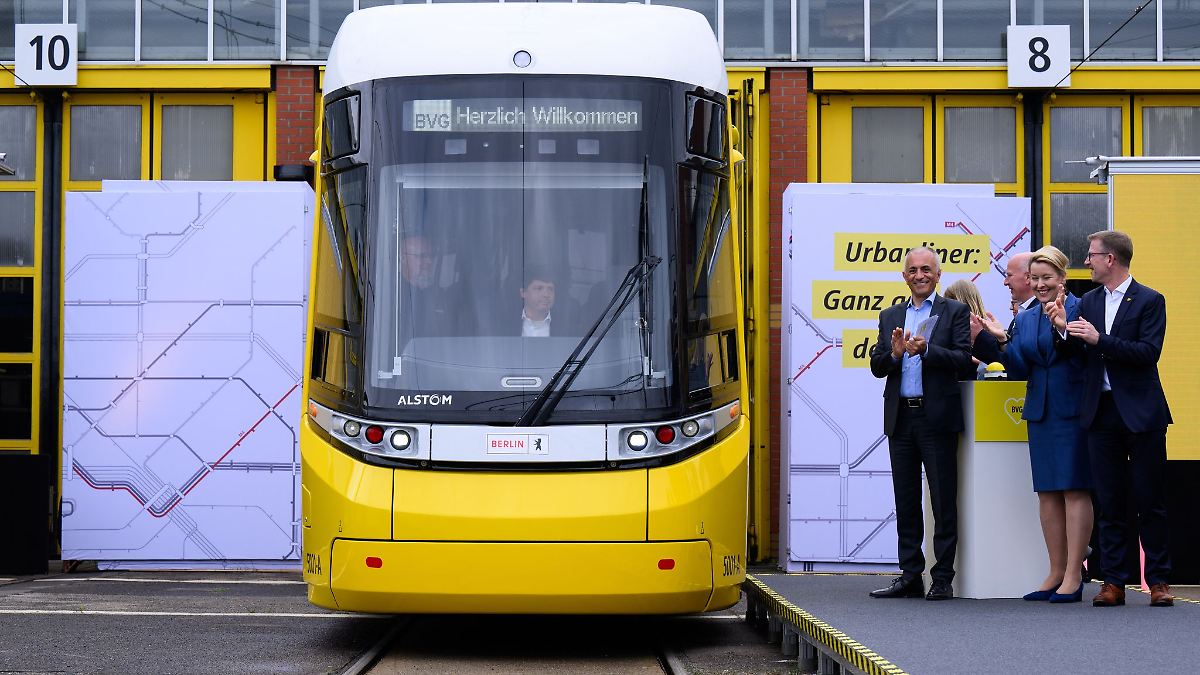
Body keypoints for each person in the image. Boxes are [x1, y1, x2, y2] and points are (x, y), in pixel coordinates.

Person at [1049, 230, 1174, 607]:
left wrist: (1098, 339)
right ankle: (1114, 581)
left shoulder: (1150, 300)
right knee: (1109, 499)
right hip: (1100, 411)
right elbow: (1075, 350)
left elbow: (1147, 353)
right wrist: (1059, 327)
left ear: (1111, 259)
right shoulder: (1088, 301)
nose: (1086, 261)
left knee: (1151, 499)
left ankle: (1159, 581)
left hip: (1141, 413)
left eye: (1091, 255)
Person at [977, 246, 1094, 603]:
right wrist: (1000, 338)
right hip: (1039, 410)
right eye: (1035, 278)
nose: (1041, 285)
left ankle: (1075, 574)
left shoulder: (1081, 307)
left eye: (1047, 278)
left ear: (1062, 278)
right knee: (1047, 492)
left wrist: (1061, 328)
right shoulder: (1025, 318)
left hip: (1072, 408)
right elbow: (1019, 369)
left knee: (1074, 488)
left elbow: (1083, 357)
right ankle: (1056, 570)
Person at [868, 247, 973, 601]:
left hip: (937, 417)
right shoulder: (890, 315)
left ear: (938, 274)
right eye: (913, 269)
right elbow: (878, 365)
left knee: (943, 500)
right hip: (901, 418)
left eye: (926, 269)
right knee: (907, 499)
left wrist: (927, 351)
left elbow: (962, 360)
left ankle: (942, 576)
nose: (920, 275)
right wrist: (896, 353)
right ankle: (910, 574)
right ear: (904, 276)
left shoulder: (955, 311)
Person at [399, 234, 458, 337]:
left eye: (431, 256)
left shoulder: (441, 297)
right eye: (422, 256)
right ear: (403, 258)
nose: (430, 261)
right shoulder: (392, 297)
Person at [943, 278, 998, 380]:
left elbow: (1002, 366)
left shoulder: (991, 332)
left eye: (951, 303)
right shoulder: (947, 332)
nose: (947, 309)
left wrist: (979, 361)